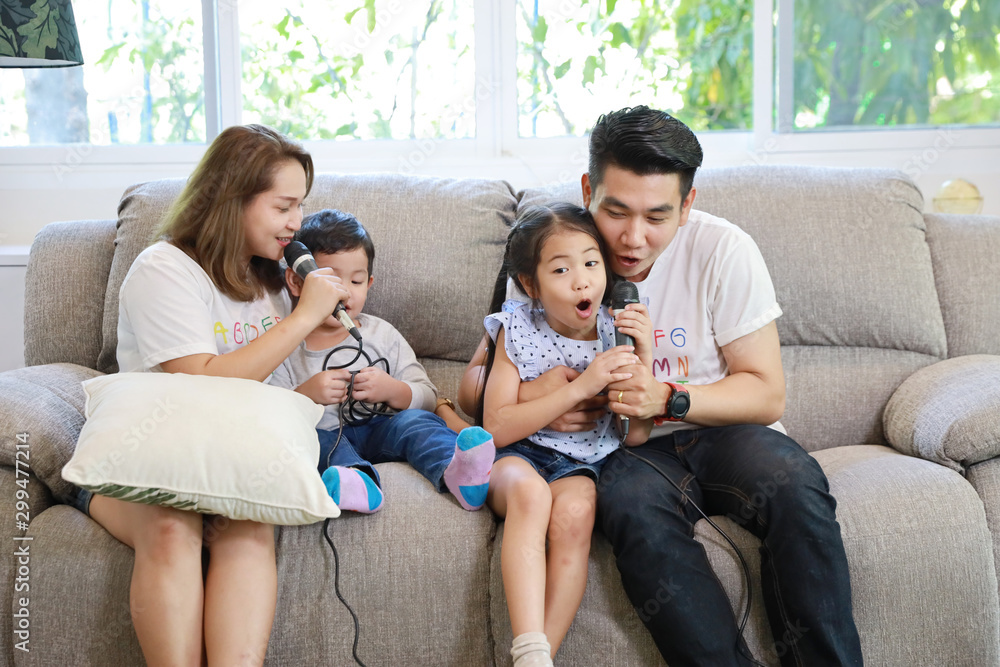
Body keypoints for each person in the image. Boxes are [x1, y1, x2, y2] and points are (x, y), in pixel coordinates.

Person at [461, 107, 863, 666]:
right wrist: (543, 397)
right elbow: (475, 387)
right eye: (616, 212)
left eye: (657, 216)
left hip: (723, 430)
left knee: (794, 483)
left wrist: (669, 398)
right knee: (633, 510)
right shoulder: (556, 253)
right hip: (627, 451)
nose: (632, 238)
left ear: (687, 205)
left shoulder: (724, 250)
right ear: (589, 191)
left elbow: (767, 392)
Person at [68, 124, 347, 665]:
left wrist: (312, 314)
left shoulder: (271, 279)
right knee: (172, 526)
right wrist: (302, 318)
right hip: (147, 460)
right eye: (283, 206)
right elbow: (201, 379)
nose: (297, 222)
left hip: (232, 458)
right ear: (231, 199)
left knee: (248, 528)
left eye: (300, 206)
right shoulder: (163, 269)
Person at [478, 203, 653, 667]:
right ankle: (529, 645)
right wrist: (579, 387)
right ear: (530, 284)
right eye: (561, 269)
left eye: (592, 263)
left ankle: (538, 659)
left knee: (575, 516)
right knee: (532, 496)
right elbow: (495, 426)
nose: (582, 282)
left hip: (582, 462)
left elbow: (635, 436)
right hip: (519, 454)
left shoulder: (616, 331)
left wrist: (645, 355)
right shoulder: (516, 327)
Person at [268, 208, 496, 514]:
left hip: (383, 428)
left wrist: (392, 390)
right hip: (328, 437)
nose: (345, 292)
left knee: (416, 422)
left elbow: (428, 397)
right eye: (331, 280)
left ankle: (458, 472)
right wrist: (306, 395)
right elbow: (273, 416)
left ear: (369, 283)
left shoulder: (383, 334)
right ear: (296, 283)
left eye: (356, 281)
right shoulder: (285, 343)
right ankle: (357, 483)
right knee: (315, 441)